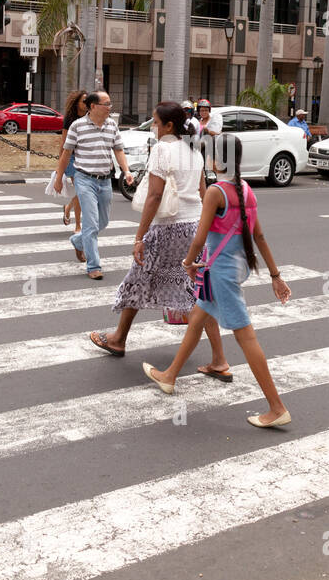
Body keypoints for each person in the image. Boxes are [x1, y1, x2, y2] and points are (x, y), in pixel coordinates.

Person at [142, 133, 293, 427]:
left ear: (217, 159)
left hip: (221, 274)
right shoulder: (247, 190)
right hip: (230, 269)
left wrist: (187, 263)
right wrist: (275, 275)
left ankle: (276, 408)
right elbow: (258, 236)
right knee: (198, 316)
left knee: (246, 338)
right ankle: (170, 375)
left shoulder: (216, 192)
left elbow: (200, 237)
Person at [88, 101, 229, 376]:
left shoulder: (162, 150)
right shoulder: (193, 151)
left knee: (138, 278)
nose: (153, 126)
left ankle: (118, 339)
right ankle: (219, 359)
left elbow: (154, 196)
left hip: (168, 228)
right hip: (195, 227)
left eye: (155, 122)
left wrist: (139, 236)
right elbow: (202, 192)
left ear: (169, 126)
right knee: (199, 292)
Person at [53, 91, 134, 281]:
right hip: (84, 179)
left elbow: (119, 150)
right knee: (90, 223)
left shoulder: (112, 125)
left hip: (105, 179)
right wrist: (59, 178)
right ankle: (93, 266)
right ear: (93, 106)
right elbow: (66, 153)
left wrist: (127, 171)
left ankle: (77, 241)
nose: (110, 108)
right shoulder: (77, 126)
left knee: (102, 222)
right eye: (106, 104)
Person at [60, 89, 88, 230]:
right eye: (84, 101)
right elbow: (64, 142)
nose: (86, 103)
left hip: (86, 157)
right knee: (80, 190)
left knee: (82, 191)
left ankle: (68, 207)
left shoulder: (90, 117)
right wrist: (60, 164)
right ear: (77, 103)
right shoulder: (70, 118)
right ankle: (78, 225)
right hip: (72, 158)